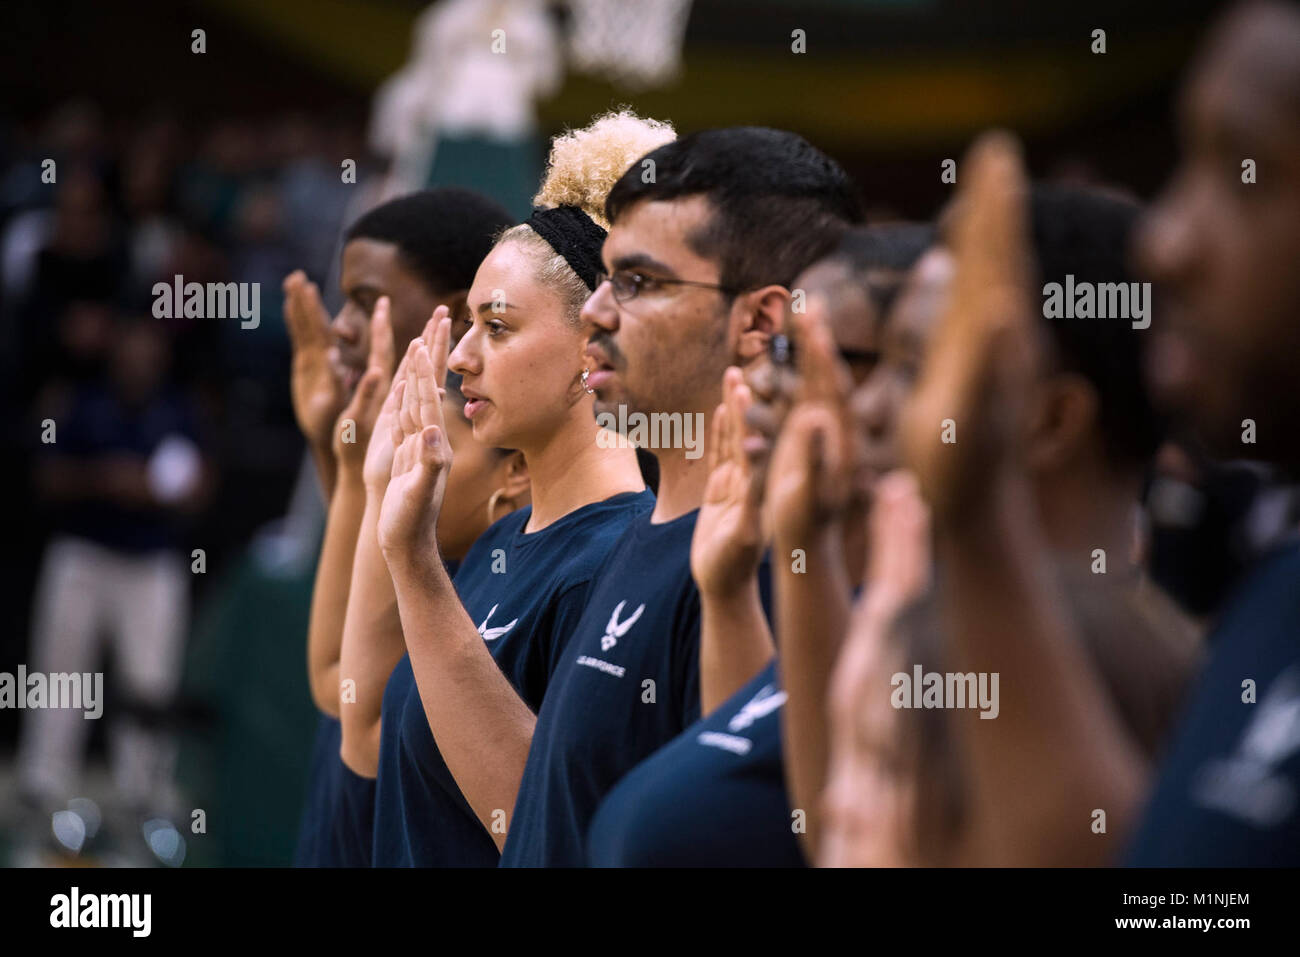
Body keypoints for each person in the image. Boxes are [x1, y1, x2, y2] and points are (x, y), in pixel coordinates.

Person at [498, 127, 864, 866]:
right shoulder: (654, 532)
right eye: (604, 278)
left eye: (638, 282)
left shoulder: (774, 572)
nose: (595, 312)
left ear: (761, 320)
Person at [366, 111, 672, 866]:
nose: (462, 357)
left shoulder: (620, 557)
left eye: (496, 327)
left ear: (590, 343)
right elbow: (351, 718)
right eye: (467, 324)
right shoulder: (500, 541)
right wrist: (370, 489)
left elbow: (544, 827)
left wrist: (414, 565)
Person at [584, 223, 932, 867]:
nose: (764, 380)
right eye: (773, 351)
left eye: (798, 355)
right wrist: (728, 592)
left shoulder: (932, 649)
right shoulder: (798, 590)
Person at [285, 187, 515, 867]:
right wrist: (335, 450)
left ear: (453, 308)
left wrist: (355, 464)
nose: (344, 326)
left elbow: (341, 682)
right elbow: (364, 587)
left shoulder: (481, 473)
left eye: (366, 299)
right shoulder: (442, 460)